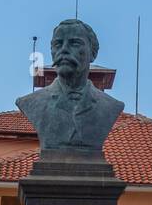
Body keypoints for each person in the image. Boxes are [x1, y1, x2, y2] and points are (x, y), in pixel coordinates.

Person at [16, 19, 124, 160]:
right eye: (58, 44)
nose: (64, 49)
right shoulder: (31, 103)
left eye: (74, 43)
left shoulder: (110, 106)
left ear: (92, 53)